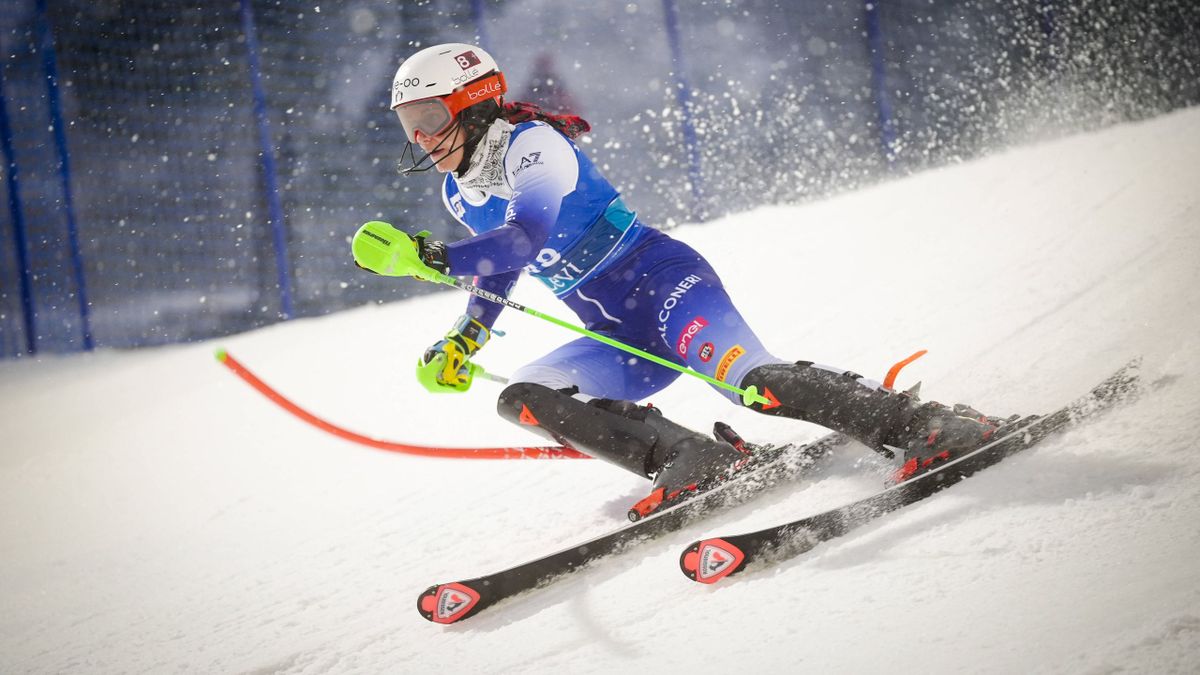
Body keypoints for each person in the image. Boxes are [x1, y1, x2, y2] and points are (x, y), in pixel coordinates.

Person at [361, 43, 1006, 518]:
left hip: (668, 288)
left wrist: (434, 258)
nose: (418, 136)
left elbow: (524, 238)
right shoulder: (459, 188)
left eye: (428, 115)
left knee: (755, 387)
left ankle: (922, 425)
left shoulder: (533, 146)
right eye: (406, 122)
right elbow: (500, 271)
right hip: (613, 334)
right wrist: (464, 339)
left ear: (473, 104)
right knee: (523, 397)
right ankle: (692, 460)